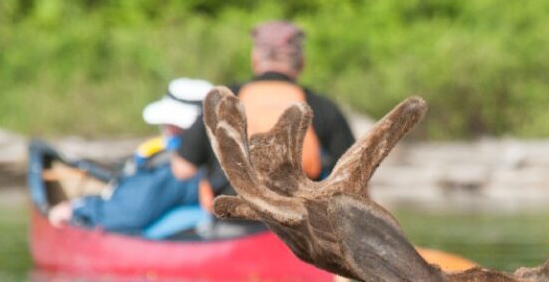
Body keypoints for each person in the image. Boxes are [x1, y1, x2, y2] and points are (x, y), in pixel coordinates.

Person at [172, 20, 356, 215]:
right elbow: (352, 178)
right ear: (302, 62)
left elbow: (182, 169)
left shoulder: (226, 101)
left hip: (234, 220)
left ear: (255, 59)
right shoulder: (322, 107)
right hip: (298, 222)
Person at [48, 78, 212, 235]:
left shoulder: (177, 167)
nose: (165, 127)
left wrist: (76, 209)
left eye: (171, 123)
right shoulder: (212, 157)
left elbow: (132, 211)